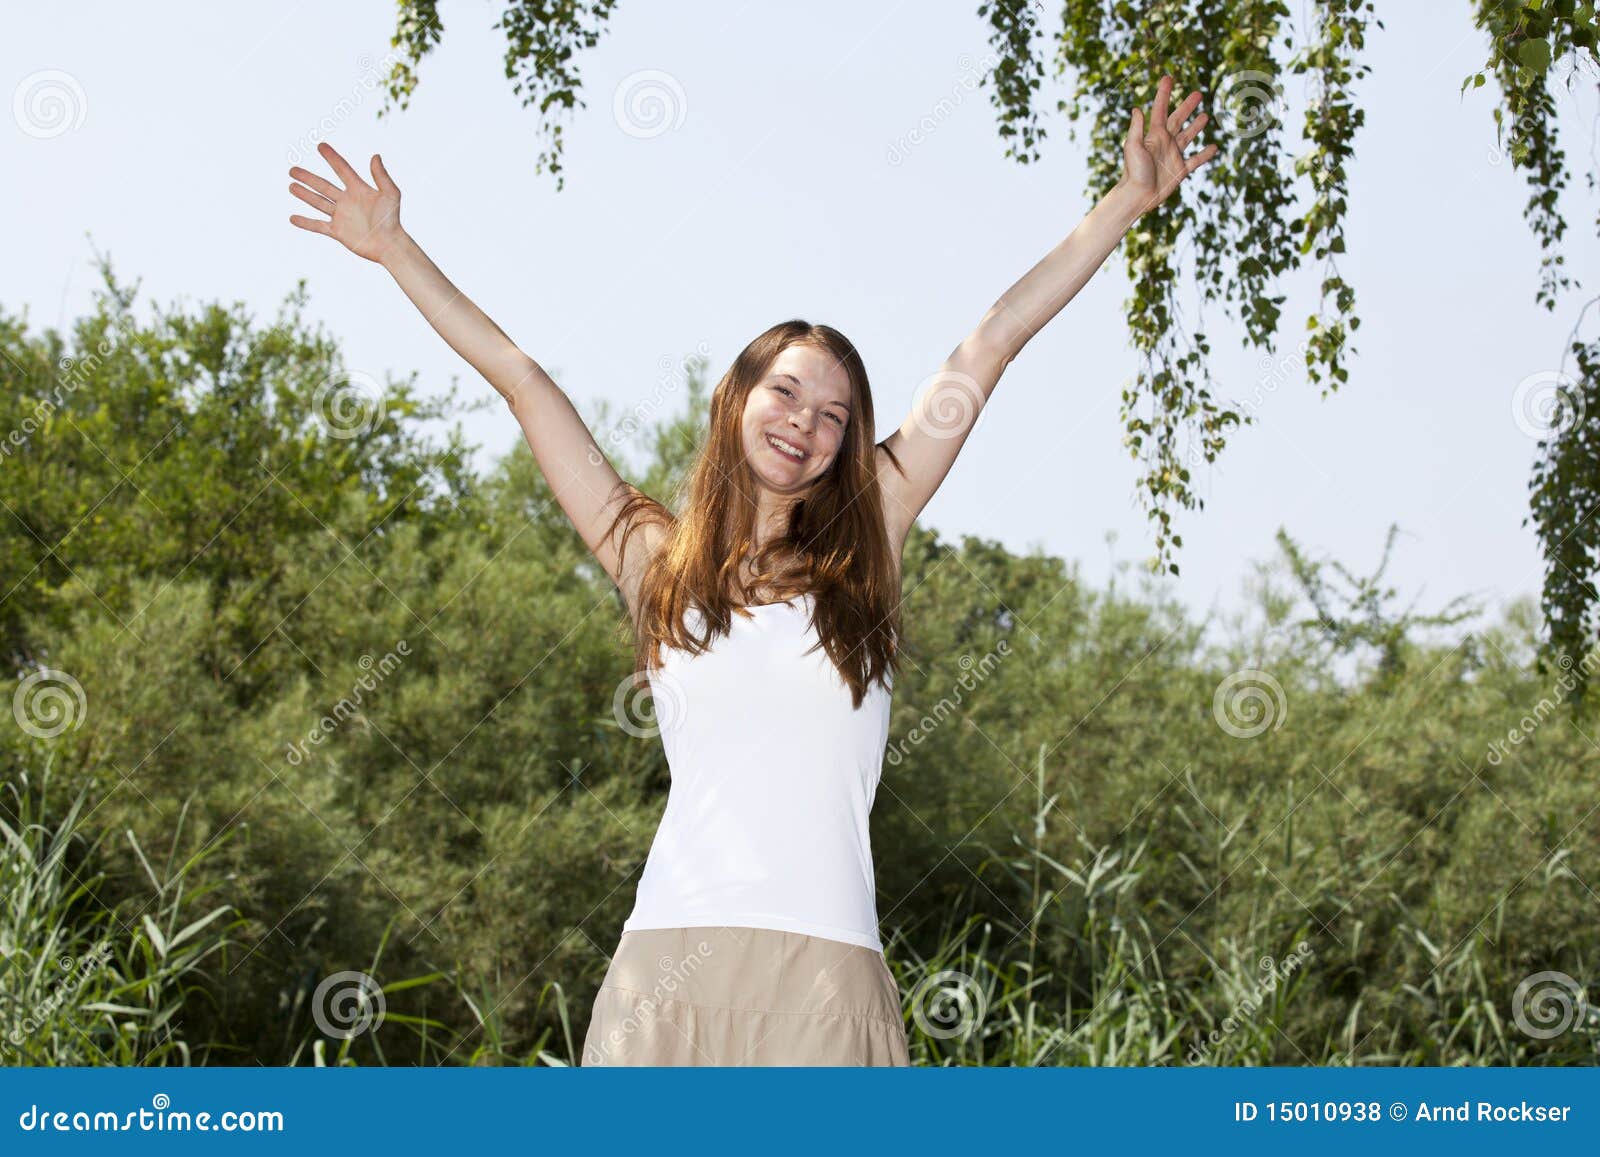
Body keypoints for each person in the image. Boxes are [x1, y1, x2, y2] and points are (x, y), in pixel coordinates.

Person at [287, 73, 1216, 1066]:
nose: (805, 424)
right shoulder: (652, 559)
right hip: (666, 969)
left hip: (826, 976)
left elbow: (988, 345)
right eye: (785, 392)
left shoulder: (873, 537)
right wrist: (393, 250)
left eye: (832, 415)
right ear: (737, 398)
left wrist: (1125, 203)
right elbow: (524, 380)